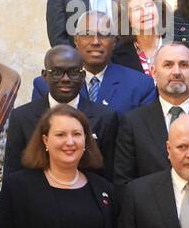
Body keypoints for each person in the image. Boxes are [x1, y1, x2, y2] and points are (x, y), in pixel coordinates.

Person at [114, 42, 189, 186]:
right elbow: (124, 183)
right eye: (168, 65)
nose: (176, 72)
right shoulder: (133, 122)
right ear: (154, 72)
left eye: (184, 65)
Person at [8, 45, 119, 175]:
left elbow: (110, 175)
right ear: (44, 76)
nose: (65, 79)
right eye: (56, 72)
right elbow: (12, 174)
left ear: (82, 76)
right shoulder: (21, 117)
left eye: (73, 72)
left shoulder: (105, 117)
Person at [31, 10, 155, 115]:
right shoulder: (46, 84)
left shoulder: (140, 85)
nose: (95, 42)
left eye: (103, 35)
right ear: (76, 40)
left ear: (114, 42)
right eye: (87, 34)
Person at [113, 0, 169, 77]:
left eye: (149, 5)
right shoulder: (116, 58)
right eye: (136, 9)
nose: (145, 12)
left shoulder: (177, 45)